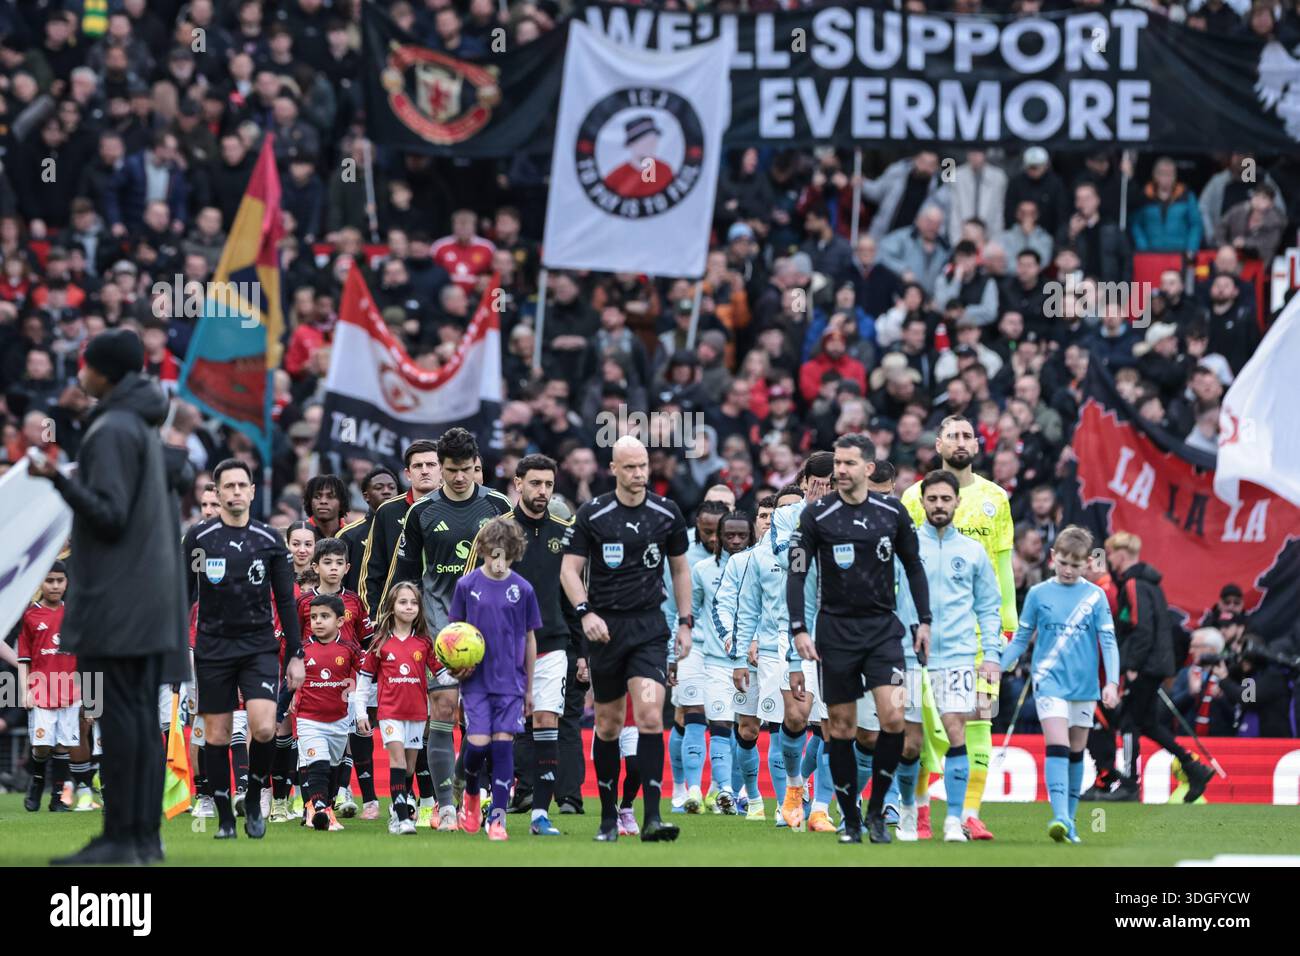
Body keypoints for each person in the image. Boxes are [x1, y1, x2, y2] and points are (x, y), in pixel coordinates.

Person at [28, 328, 189, 865]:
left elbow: (109, 513)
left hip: (118, 601)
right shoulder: (139, 424)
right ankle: (140, 839)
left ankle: (121, 840)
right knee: (137, 722)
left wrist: (56, 478)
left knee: (121, 724)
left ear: (102, 370)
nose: (79, 369)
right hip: (146, 600)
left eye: (84, 361)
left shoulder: (112, 428)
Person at [788, 433, 932, 844]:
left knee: (893, 719)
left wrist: (924, 621)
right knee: (842, 727)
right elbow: (797, 573)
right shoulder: (816, 515)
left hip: (883, 630)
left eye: (849, 463)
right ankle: (850, 819)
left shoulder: (892, 511)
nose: (841, 470)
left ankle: (875, 811)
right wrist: (798, 627)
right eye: (838, 463)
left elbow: (915, 567)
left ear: (869, 468)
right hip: (835, 630)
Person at [560, 435, 692, 842]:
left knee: (651, 716)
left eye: (643, 466)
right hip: (606, 630)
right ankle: (607, 818)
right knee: (608, 724)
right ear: (613, 469)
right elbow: (569, 570)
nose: (638, 473)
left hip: (649, 628)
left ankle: (651, 818)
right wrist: (585, 612)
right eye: (630, 467)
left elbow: (680, 570)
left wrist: (686, 621)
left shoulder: (666, 512)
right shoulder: (593, 513)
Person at [385, 427, 512, 830]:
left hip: (489, 629)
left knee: (481, 720)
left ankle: (463, 785)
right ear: (440, 468)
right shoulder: (421, 512)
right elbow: (405, 575)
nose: (459, 478)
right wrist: (396, 622)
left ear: (477, 467)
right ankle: (443, 806)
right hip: (441, 627)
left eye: (466, 470)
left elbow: (513, 570)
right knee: (442, 708)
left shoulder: (498, 505)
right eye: (451, 470)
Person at [899, 414, 1017, 839]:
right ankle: (922, 809)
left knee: (979, 722)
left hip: (977, 638)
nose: (960, 441)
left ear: (978, 444)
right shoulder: (914, 497)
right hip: (920, 638)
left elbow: (1003, 569)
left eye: (968, 435)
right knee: (922, 729)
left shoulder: (996, 498)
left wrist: (1006, 632)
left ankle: (968, 812)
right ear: (938, 443)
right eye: (952, 435)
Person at [182, 458, 305, 840]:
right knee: (216, 736)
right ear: (217, 493)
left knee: (265, 727)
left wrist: (296, 654)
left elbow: (286, 602)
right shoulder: (199, 538)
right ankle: (222, 817)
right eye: (228, 486)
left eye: (242, 485)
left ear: (253, 491)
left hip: (258, 648)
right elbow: (183, 595)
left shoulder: (269, 540)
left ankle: (253, 797)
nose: (236, 492)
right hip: (212, 649)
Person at [1000, 526, 1120, 844]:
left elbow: (1108, 642)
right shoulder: (1039, 594)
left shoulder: (1095, 596)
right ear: (1053, 557)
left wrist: (1112, 683)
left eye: (1075, 565)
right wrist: (995, 666)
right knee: (1058, 745)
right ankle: (1060, 817)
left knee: (1077, 752)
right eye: (1063, 562)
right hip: (1048, 681)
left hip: (1085, 686)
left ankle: (1071, 819)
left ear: (1087, 564)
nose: (1068, 570)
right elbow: (1021, 640)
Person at [1102, 532, 1214, 803]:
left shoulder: (1133, 583)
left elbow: (1141, 626)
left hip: (1144, 665)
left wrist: (1132, 665)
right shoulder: (1150, 583)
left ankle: (1129, 784)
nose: (1109, 561)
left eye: (1111, 554)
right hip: (1156, 663)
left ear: (1121, 553)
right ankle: (1193, 767)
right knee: (1149, 724)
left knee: (1129, 721)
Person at [499, 453, 578, 836]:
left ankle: (539, 816)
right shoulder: (496, 532)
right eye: (535, 483)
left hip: (551, 644)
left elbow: (575, 595)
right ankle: (486, 802)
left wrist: (582, 652)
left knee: (547, 722)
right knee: (499, 730)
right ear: (518, 483)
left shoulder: (566, 531)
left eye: (548, 484)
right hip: (501, 647)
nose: (542, 491)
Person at [450, 517, 542, 841]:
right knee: (477, 746)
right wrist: (454, 667)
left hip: (510, 684)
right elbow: (453, 636)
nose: (499, 562)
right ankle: (472, 793)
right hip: (475, 682)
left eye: (506, 555)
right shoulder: (466, 586)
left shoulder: (524, 589)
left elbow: (530, 639)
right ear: (483, 552)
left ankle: (498, 819)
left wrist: (529, 687)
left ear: (515, 553)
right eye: (493, 554)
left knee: (503, 748)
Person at [718, 486, 805, 824]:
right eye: (767, 516)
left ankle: (790, 799)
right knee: (749, 729)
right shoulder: (746, 560)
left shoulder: (806, 554)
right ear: (757, 521)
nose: (773, 521)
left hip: (789, 653)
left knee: (788, 725)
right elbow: (728, 606)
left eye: (782, 513)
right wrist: (738, 644)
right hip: (754, 654)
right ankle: (753, 797)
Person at [767, 451, 836, 830]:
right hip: (793, 626)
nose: (821, 489)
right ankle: (794, 788)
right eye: (816, 482)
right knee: (795, 715)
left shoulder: (846, 516)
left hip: (837, 628)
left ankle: (822, 808)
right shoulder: (785, 517)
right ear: (805, 480)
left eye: (829, 484)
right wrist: (811, 515)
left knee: (833, 725)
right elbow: (787, 556)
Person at [296, 537, 373, 817]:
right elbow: (293, 642)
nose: (333, 568)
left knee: (341, 744)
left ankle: (339, 793)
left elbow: (366, 641)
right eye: (327, 562)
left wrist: (367, 676)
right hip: (311, 685)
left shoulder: (354, 601)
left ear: (347, 567)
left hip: (347, 685)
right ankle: (308, 802)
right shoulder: (304, 602)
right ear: (316, 566)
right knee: (309, 745)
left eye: (339, 563)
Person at [355, 581, 434, 836]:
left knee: (409, 767)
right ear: (392, 606)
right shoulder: (380, 643)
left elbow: (441, 674)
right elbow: (364, 680)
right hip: (390, 712)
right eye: (403, 601)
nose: (408, 607)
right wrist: (360, 713)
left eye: (413, 602)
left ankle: (399, 808)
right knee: (397, 760)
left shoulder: (424, 642)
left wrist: (462, 674)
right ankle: (402, 819)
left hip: (418, 714)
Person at [665, 498, 727, 812]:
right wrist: (669, 653)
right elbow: (668, 605)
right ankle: (686, 790)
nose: (713, 539)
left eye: (718, 532)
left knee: (720, 717)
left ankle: (718, 790)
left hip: (728, 649)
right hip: (689, 643)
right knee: (692, 712)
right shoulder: (682, 552)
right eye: (706, 532)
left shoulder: (738, 555)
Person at [693, 509, 756, 816]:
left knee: (746, 730)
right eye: (729, 535)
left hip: (752, 663)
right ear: (717, 536)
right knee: (719, 725)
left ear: (751, 537)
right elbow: (691, 611)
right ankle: (726, 792)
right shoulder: (702, 569)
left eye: (741, 535)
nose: (735, 541)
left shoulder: (760, 567)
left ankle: (733, 790)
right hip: (715, 661)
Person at [295, 593, 362, 832]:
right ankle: (320, 808)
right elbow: (289, 681)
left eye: (324, 616)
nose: (318, 621)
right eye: (313, 617)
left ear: (340, 621)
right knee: (318, 764)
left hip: (339, 721)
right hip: (308, 719)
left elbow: (366, 676)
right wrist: (283, 706)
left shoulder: (350, 650)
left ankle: (326, 807)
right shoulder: (301, 650)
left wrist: (361, 711)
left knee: (333, 768)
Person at [19, 562, 78, 814]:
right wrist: (24, 690)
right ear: (41, 583)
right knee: (42, 745)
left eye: (59, 581)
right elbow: (24, 659)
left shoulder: (75, 613)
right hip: (41, 689)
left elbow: (84, 655)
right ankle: (37, 781)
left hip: (71, 689)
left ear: (66, 583)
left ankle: (57, 797)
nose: (55, 586)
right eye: (49, 580)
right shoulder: (30, 615)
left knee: (64, 744)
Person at [359, 438, 440, 617]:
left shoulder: (455, 508)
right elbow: (372, 573)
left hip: (445, 611)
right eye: (418, 466)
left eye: (431, 464)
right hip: (397, 614)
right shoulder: (387, 511)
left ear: (442, 470)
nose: (425, 471)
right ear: (408, 473)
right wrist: (373, 618)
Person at [339, 465, 399, 594]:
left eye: (392, 487)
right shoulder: (348, 535)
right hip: (360, 610)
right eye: (379, 487)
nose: (386, 491)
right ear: (366, 496)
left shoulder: (409, 529)